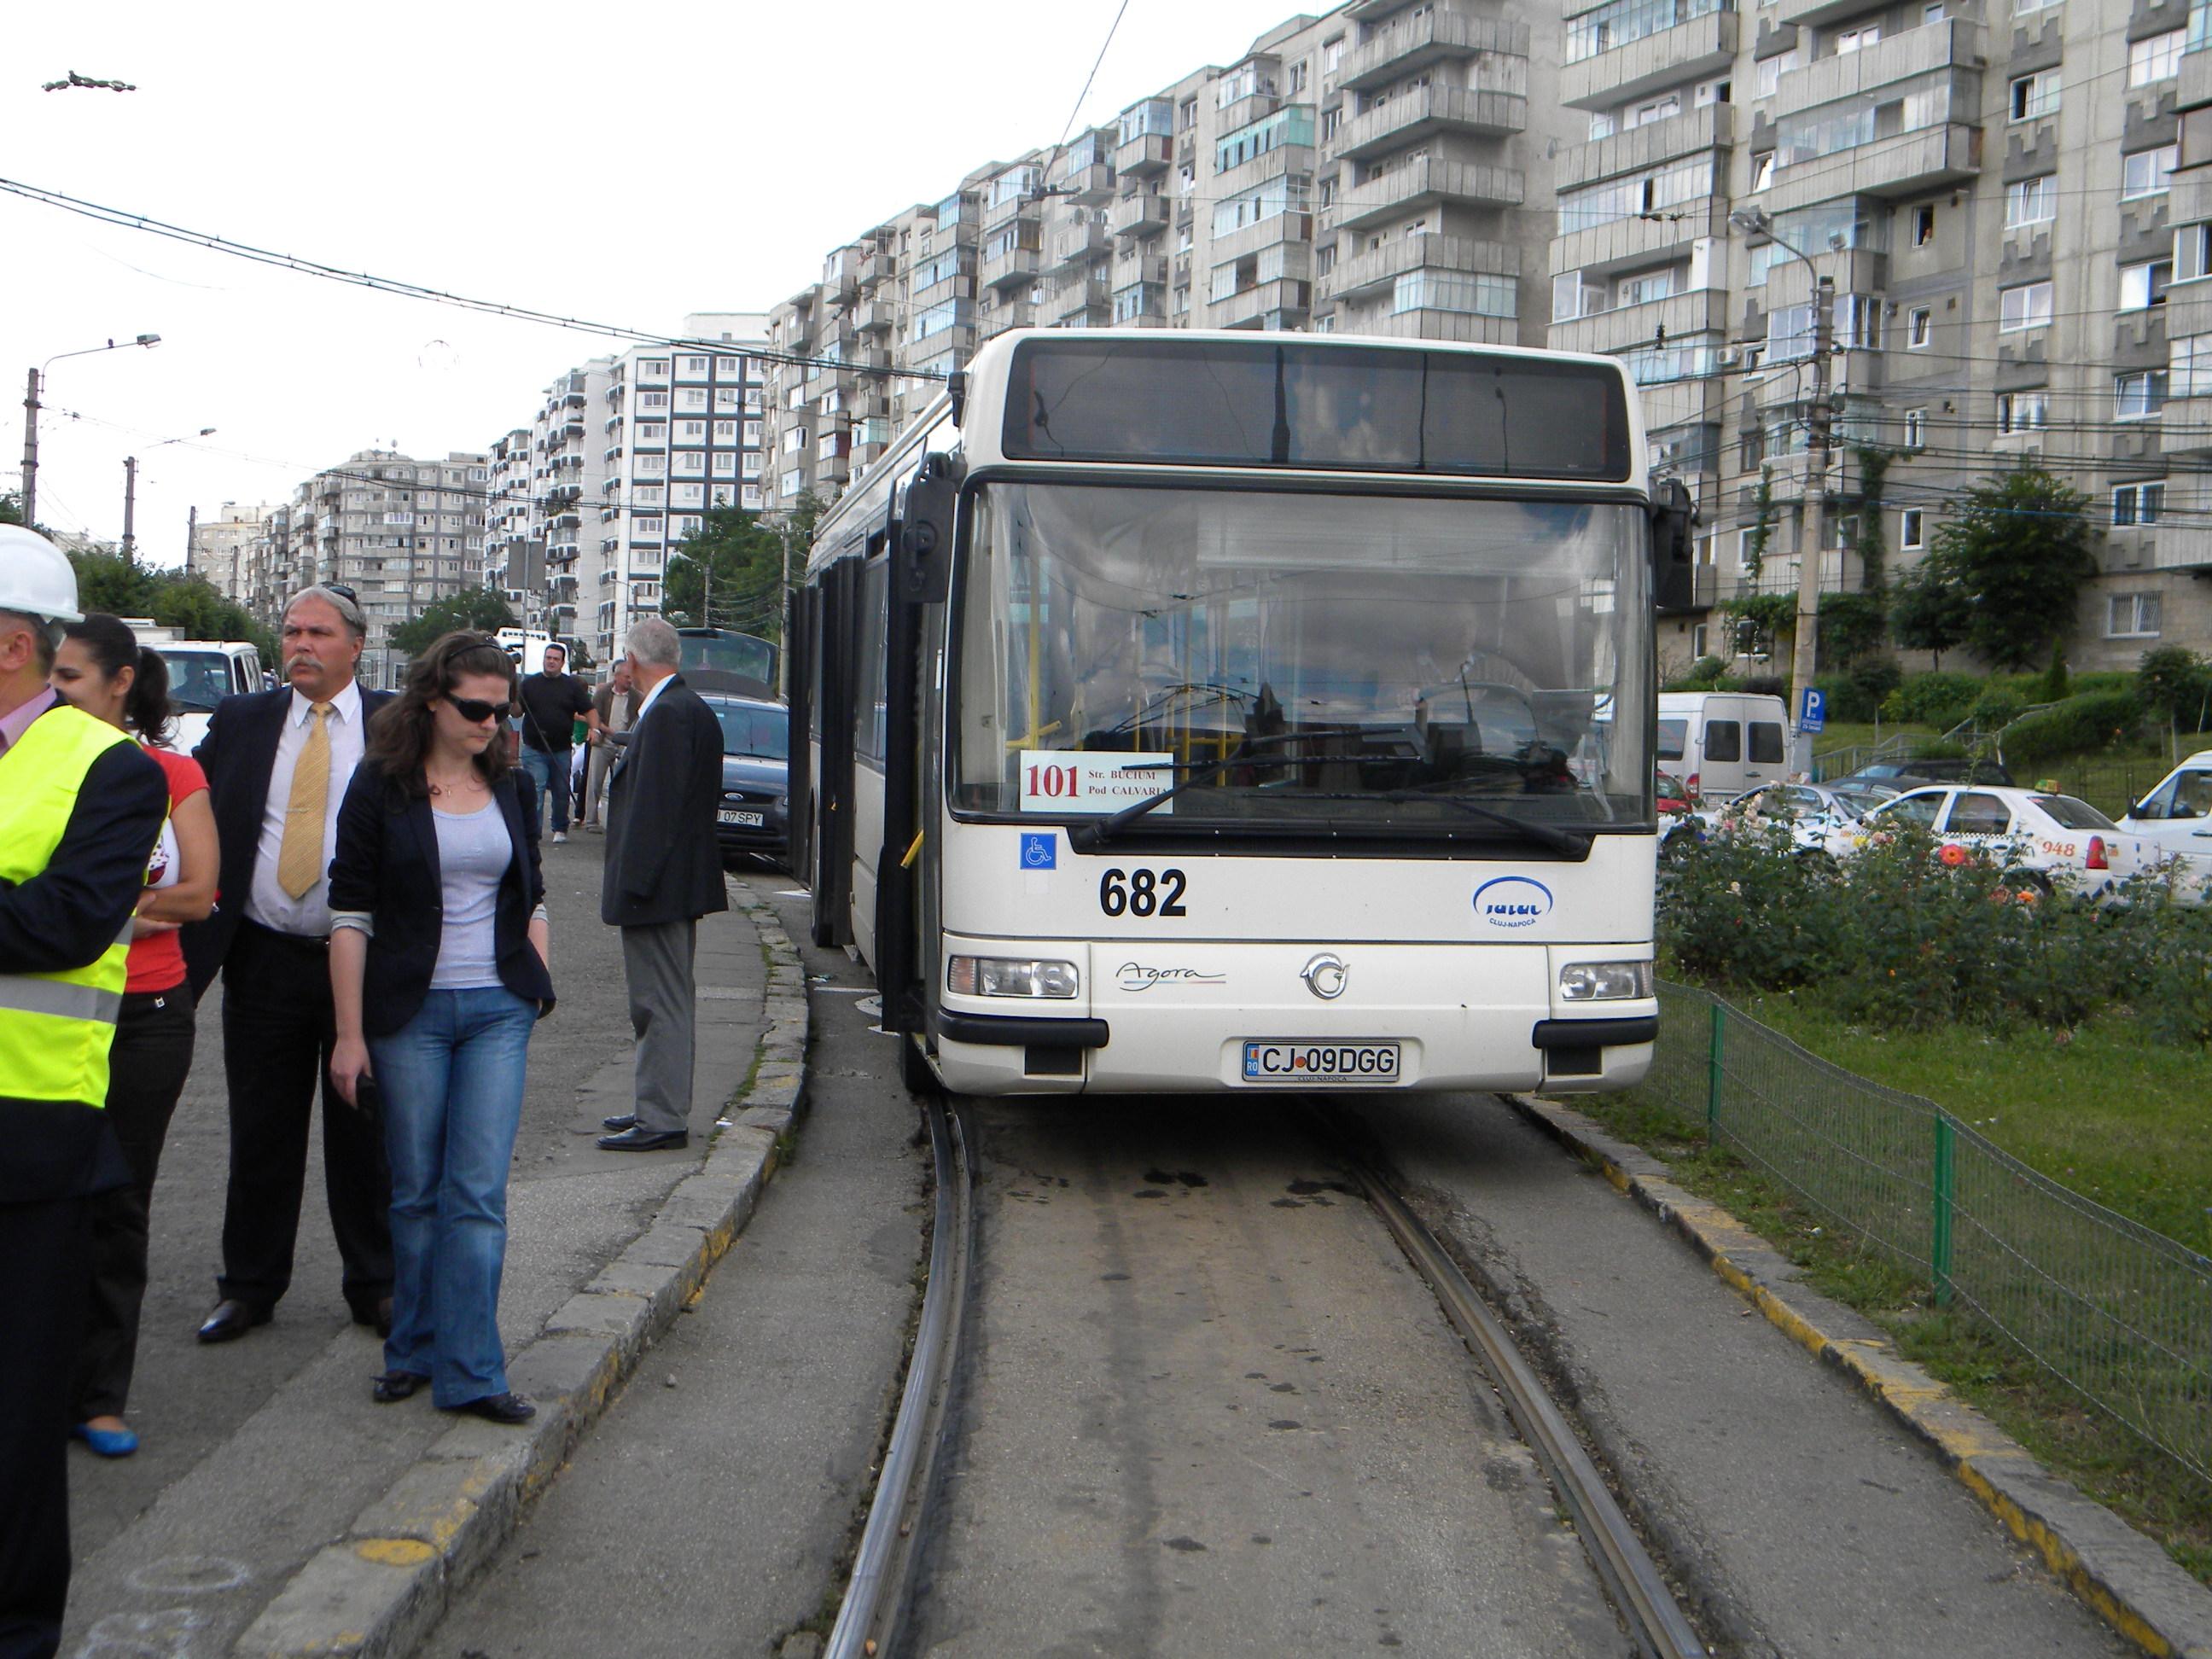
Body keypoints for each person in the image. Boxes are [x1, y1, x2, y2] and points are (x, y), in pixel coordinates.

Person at [0, 527, 166, 1659]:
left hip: (27, 1142)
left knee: (14, 1423)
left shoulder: (112, 769)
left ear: (12, 644)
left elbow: (62, 924)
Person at [327, 633, 553, 1424]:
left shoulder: (512, 784)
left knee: (477, 1193)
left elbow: (532, 892)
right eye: (475, 709)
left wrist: (536, 982)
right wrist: (349, 1036)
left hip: (497, 1010)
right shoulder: (380, 784)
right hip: (408, 1013)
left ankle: (473, 1371)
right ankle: (413, 1349)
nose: (491, 722)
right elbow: (350, 912)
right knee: (416, 1190)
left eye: (502, 710)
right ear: (431, 700)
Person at [182, 585, 395, 1344]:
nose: (300, 644)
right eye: (291, 631)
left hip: (363, 965)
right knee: (262, 1132)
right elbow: (191, 807)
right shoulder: (243, 721)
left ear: (356, 645)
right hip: (264, 955)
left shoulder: (395, 725)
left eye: (318, 633)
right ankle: (248, 1286)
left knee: (364, 1133)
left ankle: (376, 1285)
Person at [50, 617, 218, 1460]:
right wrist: (108, 914)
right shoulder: (32, 767)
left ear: (120, 684)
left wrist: (90, 914)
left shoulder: (171, 773)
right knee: (40, 1204)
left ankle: (99, 1396)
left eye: (71, 678)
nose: (55, 694)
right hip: (45, 1018)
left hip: (146, 1016)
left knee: (119, 1202)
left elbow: (198, 894)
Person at [597, 618, 727, 1152]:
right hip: (670, 885)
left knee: (660, 1002)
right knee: (657, 1000)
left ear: (631, 662)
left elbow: (657, 811)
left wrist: (633, 886)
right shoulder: (681, 708)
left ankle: (662, 1118)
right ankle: (654, 1102)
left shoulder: (670, 713)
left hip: (658, 888)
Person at [513, 643, 595, 845]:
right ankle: (533, 833)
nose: (551, 662)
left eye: (555, 659)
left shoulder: (571, 686)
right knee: (536, 790)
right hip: (534, 747)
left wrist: (595, 729)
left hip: (561, 748)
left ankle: (560, 827)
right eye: (548, 658)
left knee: (561, 791)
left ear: (562, 662)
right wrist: (511, 698)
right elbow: (516, 713)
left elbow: (589, 710)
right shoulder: (529, 684)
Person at [581, 657, 637, 833]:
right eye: (627, 677)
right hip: (604, 741)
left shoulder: (637, 697)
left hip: (625, 744)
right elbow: (594, 717)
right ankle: (591, 820)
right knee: (594, 782)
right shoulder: (602, 693)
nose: (630, 680)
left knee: (623, 785)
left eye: (631, 677)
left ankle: (620, 821)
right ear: (617, 677)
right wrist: (608, 731)